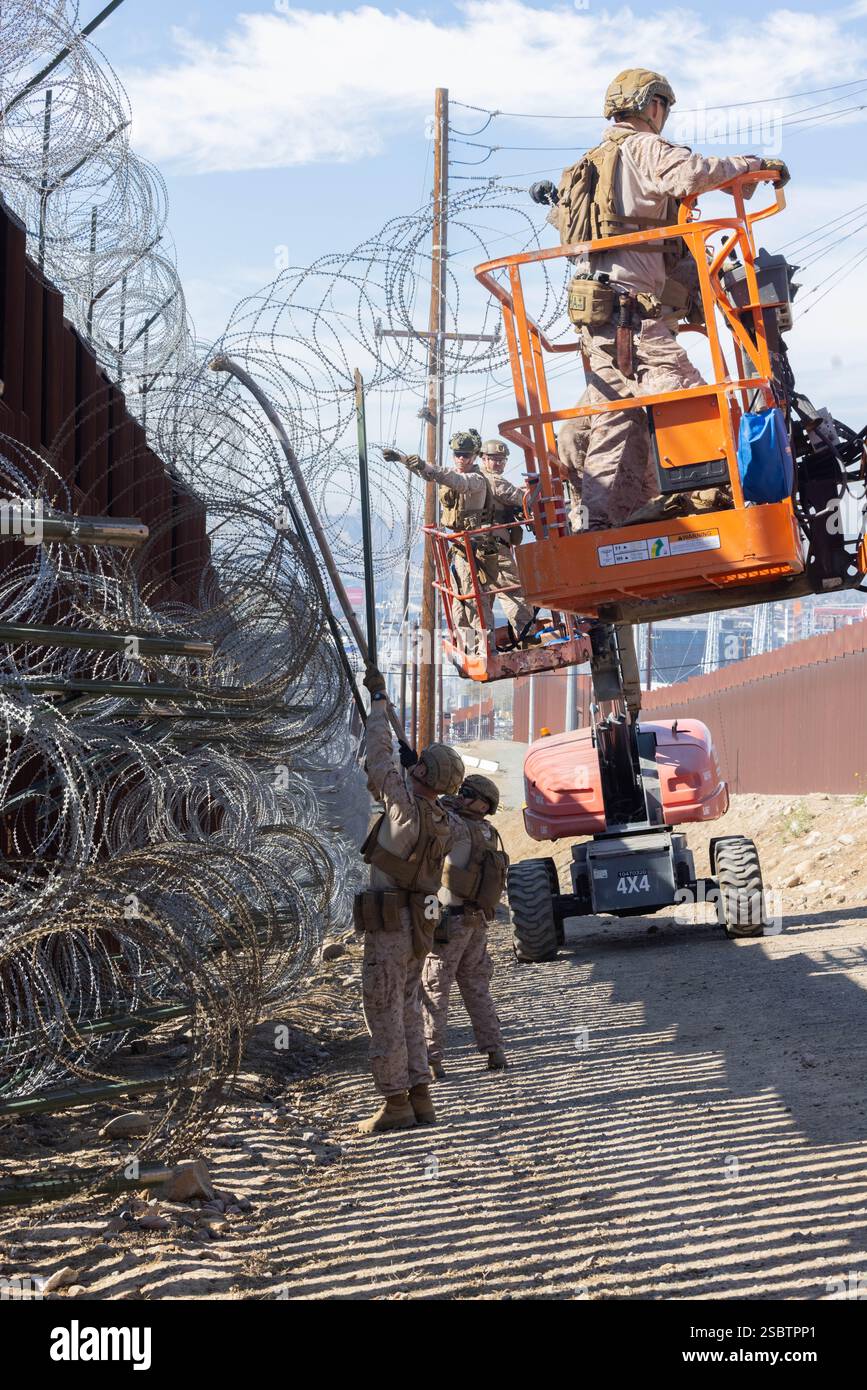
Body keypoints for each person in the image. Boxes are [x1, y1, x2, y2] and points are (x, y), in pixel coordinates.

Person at [545, 67, 789, 529]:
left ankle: (599, 523)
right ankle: (705, 497)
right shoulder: (643, 147)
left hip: (595, 310)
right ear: (651, 105)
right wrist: (750, 164)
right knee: (688, 392)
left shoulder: (591, 161)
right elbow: (691, 174)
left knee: (616, 414)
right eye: (664, 107)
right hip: (629, 311)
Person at [354, 664, 464, 1133]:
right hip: (419, 924)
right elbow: (420, 789)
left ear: (420, 770)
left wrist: (379, 704)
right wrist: (414, 766)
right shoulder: (445, 820)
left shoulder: (402, 803)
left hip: (389, 924)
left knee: (382, 1009)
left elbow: (375, 759)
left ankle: (395, 1103)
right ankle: (420, 1095)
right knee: (408, 1005)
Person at [421, 774, 509, 1078]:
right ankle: (494, 1051)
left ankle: (432, 1060)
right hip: (476, 920)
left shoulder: (458, 825)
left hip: (452, 920)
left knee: (434, 988)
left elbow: (429, 810)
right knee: (476, 987)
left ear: (483, 804)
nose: (460, 796)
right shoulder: (488, 831)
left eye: (467, 793)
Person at [383, 431, 502, 651]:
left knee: (476, 600)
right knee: (459, 601)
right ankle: (469, 647)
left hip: (474, 547)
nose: (461, 459)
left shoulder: (475, 480)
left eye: (466, 455)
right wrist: (401, 459)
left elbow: (454, 480)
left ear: (474, 456)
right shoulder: (451, 473)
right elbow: (430, 474)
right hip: (457, 548)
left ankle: (486, 648)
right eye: (457, 454)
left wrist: (425, 466)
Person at [478, 439, 539, 639]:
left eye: (502, 460)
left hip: (481, 546)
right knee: (514, 592)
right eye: (494, 459)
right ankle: (527, 635)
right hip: (495, 548)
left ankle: (481, 644)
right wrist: (538, 490)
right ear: (484, 459)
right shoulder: (493, 480)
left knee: (483, 598)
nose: (498, 464)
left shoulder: (478, 478)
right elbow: (522, 499)